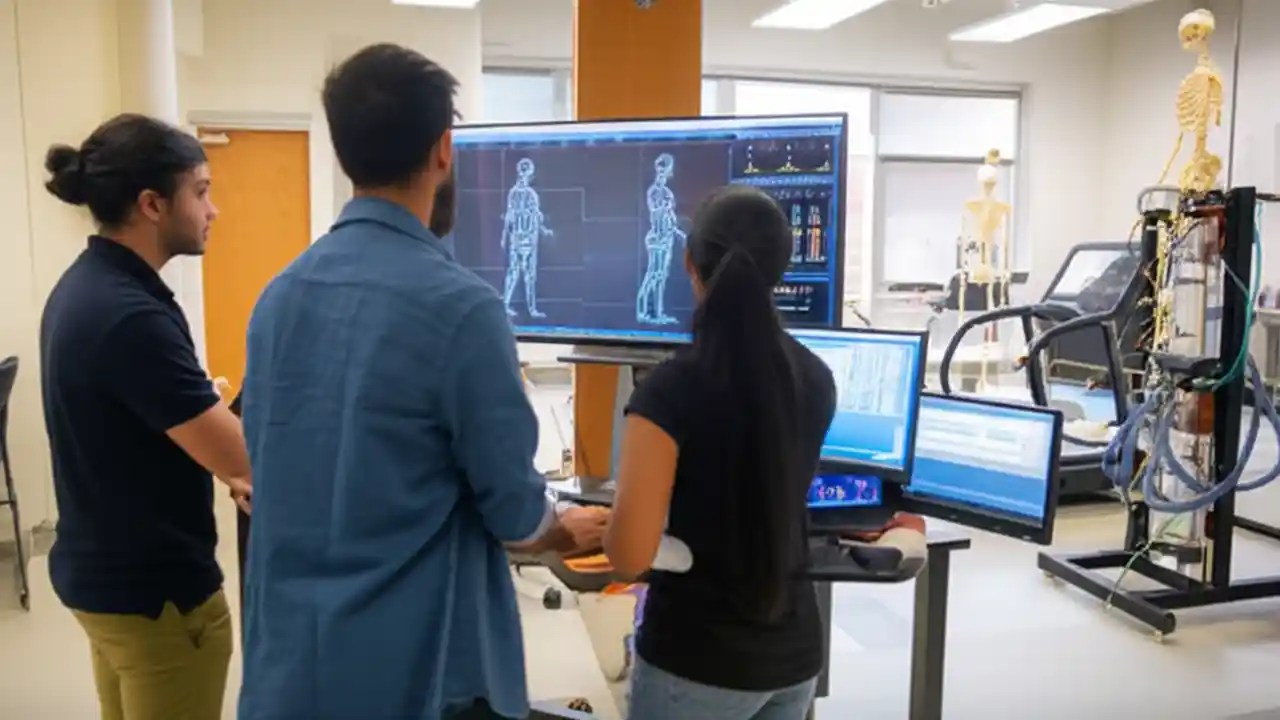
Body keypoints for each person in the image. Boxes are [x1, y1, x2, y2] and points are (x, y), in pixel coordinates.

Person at [237, 43, 609, 720]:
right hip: (415, 674)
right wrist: (570, 527)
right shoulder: (462, 309)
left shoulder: (277, 298)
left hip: (291, 667)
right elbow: (516, 515)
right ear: (444, 149)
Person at [39, 114, 253, 720]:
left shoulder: (84, 287)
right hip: (158, 602)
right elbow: (242, 457)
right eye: (202, 191)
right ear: (153, 204)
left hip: (102, 584)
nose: (214, 210)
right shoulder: (132, 315)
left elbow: (131, 428)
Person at [604, 185, 837, 720]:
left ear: (689, 263)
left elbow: (629, 555)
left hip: (699, 661)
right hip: (794, 658)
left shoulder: (669, 391)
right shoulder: (816, 379)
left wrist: (612, 525)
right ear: (782, 270)